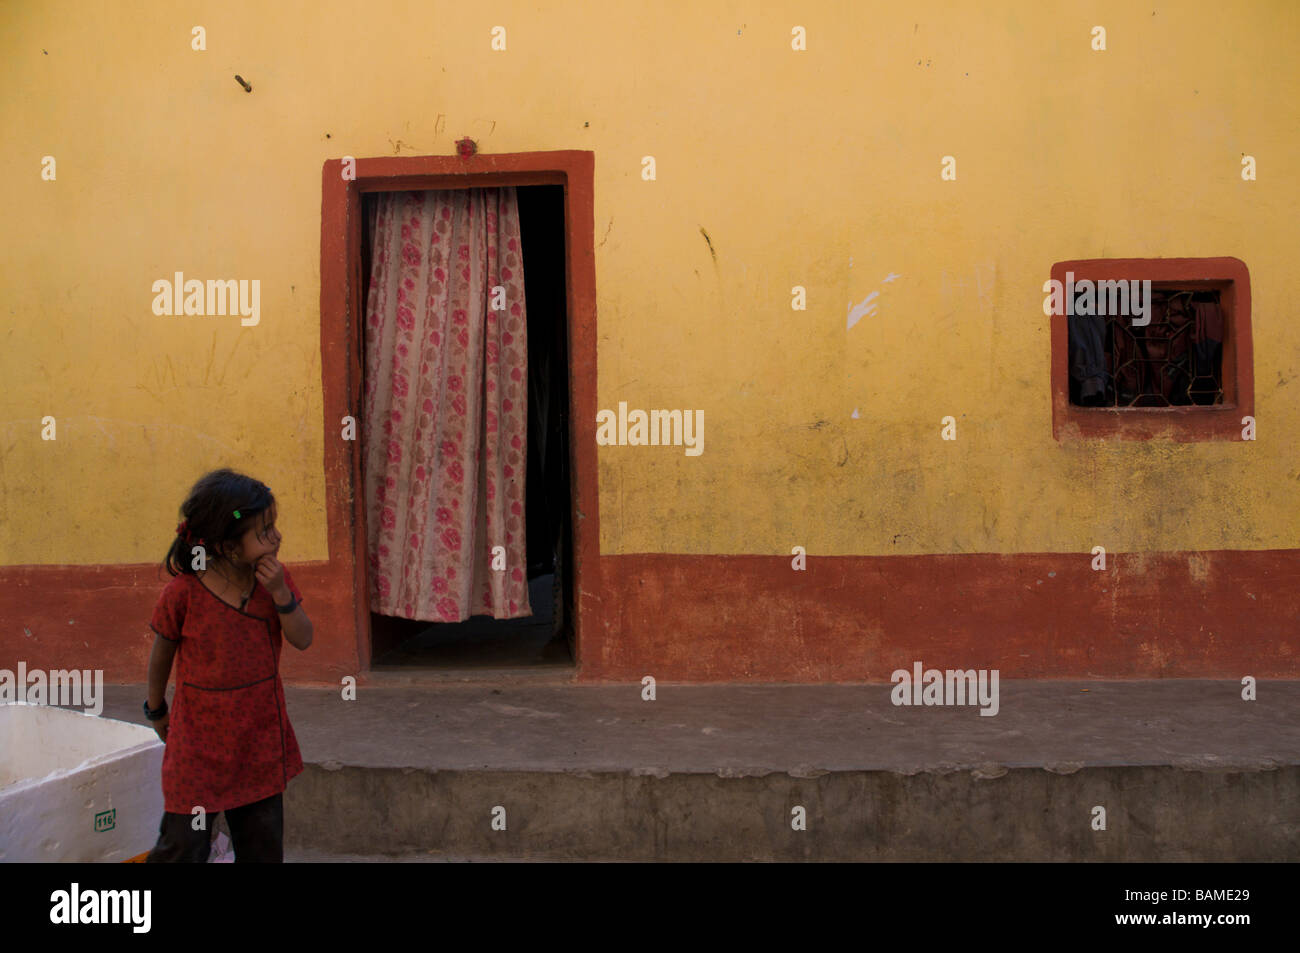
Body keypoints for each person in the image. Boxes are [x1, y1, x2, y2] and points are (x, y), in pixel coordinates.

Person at [142, 469, 313, 862]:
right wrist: (156, 708)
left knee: (262, 846)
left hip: (258, 739)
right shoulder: (182, 593)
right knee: (182, 846)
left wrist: (281, 595)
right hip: (198, 744)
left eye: (274, 526)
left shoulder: (275, 582)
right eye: (264, 531)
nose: (277, 537)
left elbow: (303, 639)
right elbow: (162, 652)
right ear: (228, 547)